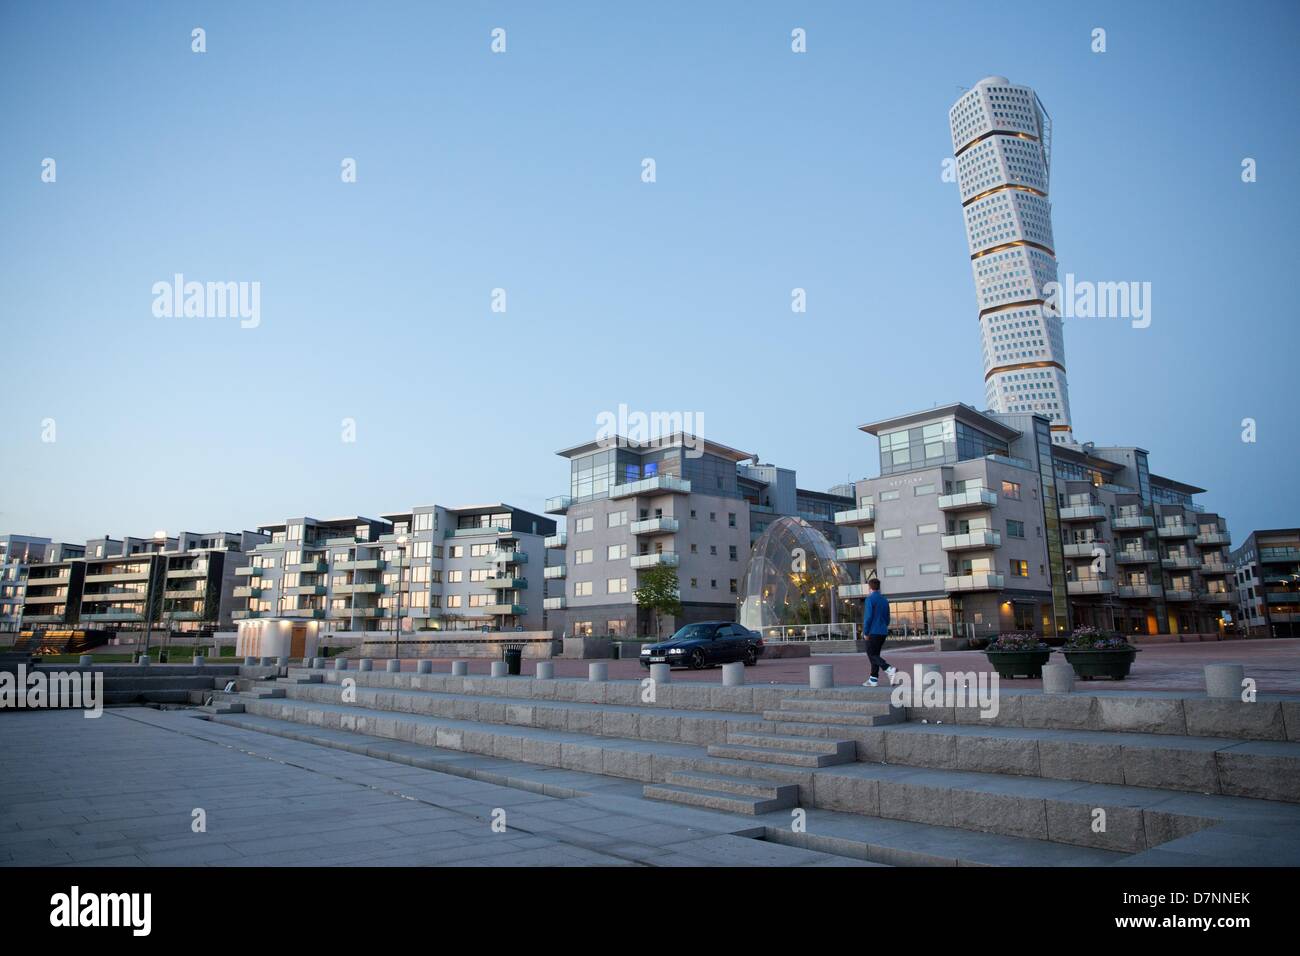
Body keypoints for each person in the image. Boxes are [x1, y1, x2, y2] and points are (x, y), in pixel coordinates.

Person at [862, 578, 897, 687]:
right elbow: (887, 618)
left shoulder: (870, 599)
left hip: (873, 632)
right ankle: (873, 679)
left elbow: (868, 617)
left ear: (869, 587)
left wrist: (866, 632)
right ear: (879, 587)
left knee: (871, 654)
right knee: (875, 655)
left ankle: (888, 668)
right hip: (882, 632)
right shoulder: (884, 600)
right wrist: (883, 626)